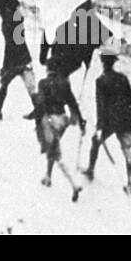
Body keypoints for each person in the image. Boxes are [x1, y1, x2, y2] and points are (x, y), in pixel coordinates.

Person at [83, 47, 131, 195]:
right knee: (127, 150)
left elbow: (100, 106)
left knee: (95, 142)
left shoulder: (101, 81)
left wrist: (100, 127)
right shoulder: (123, 78)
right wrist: (126, 114)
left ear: (102, 62)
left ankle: (90, 170)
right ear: (114, 62)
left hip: (109, 122)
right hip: (125, 119)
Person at [35, 55, 85, 201]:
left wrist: (38, 122)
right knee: (53, 149)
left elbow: (41, 104)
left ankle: (74, 184)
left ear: (48, 69)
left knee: (56, 153)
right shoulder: (64, 83)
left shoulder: (43, 83)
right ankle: (48, 176)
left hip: (51, 120)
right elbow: (72, 103)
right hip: (63, 120)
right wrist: (81, 121)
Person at [0, 0, 38, 120]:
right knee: (31, 87)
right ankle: (37, 110)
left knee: (4, 84)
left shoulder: (7, 21)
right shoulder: (18, 19)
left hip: (11, 58)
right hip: (24, 56)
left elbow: (1, 4)